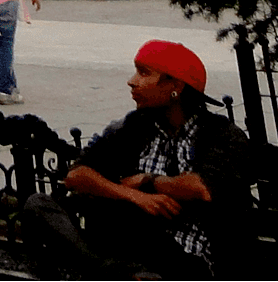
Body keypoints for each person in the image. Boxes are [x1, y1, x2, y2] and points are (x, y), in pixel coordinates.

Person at [21, 41, 248, 281]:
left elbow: (201, 188)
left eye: (143, 73)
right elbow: (76, 176)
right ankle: (116, 271)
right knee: (38, 205)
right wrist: (134, 196)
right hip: (126, 249)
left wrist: (145, 181)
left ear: (176, 87)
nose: (132, 81)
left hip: (185, 259)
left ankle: (114, 272)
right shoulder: (135, 127)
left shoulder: (220, 134)